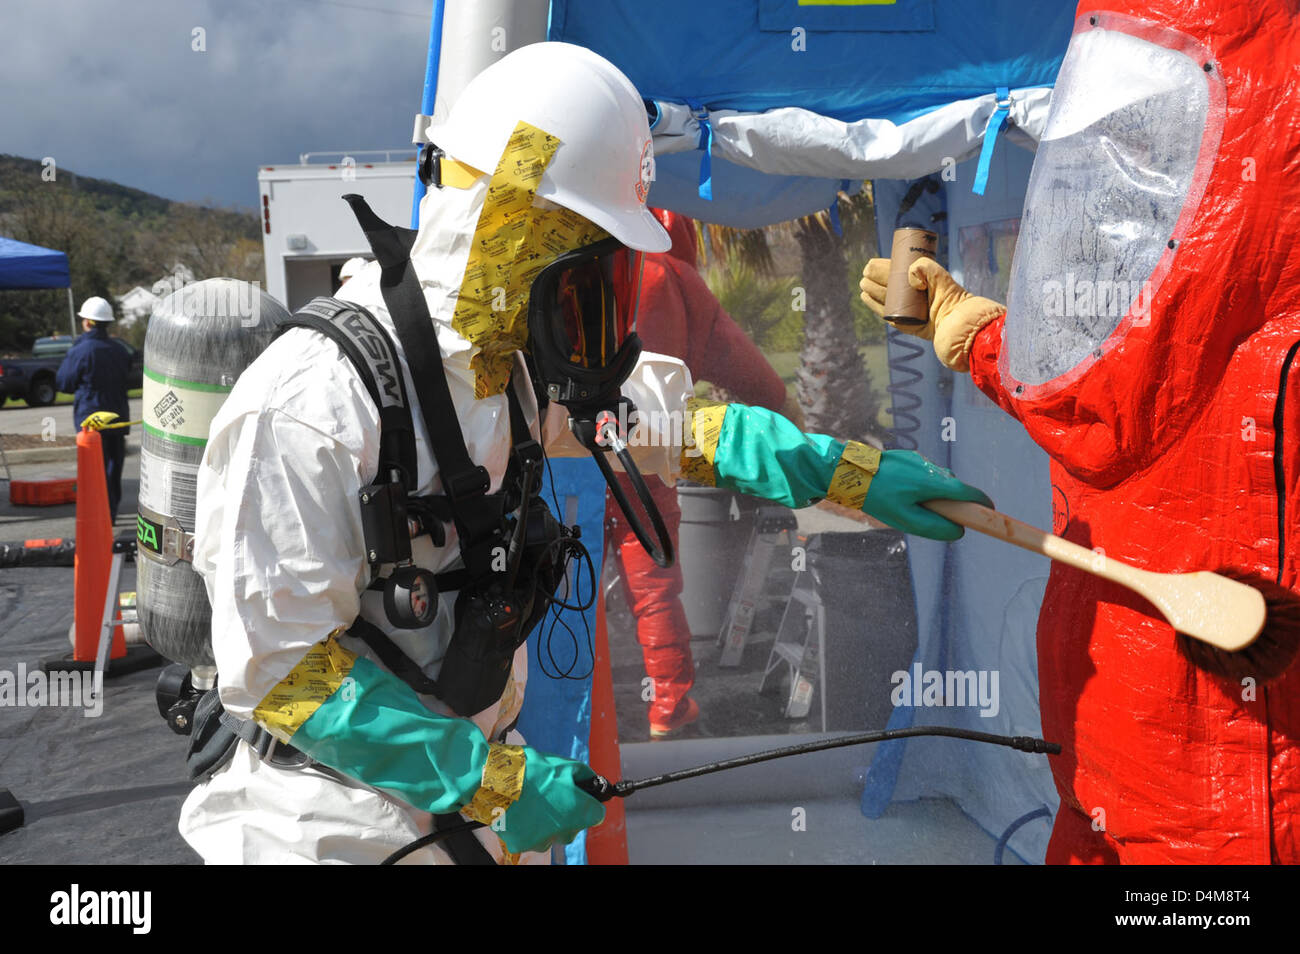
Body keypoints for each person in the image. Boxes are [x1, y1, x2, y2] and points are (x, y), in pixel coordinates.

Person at [179, 41, 991, 865]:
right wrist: (484, 781)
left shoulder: (506, 375)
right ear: (509, 223)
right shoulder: (309, 406)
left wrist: (836, 471)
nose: (596, 303)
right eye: (584, 260)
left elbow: (659, 427)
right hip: (325, 829)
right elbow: (283, 674)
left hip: (463, 812)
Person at [860, 0, 1300, 863]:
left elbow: (1101, 388)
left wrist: (975, 335)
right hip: (1112, 765)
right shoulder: (1188, 291)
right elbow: (1093, 383)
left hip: (1233, 803)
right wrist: (977, 332)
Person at [606, 208, 795, 738]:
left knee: (565, 587)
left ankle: (578, 718)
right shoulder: (678, 280)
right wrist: (783, 411)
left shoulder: (577, 260)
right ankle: (669, 706)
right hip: (650, 456)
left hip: (572, 452)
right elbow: (747, 368)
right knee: (655, 589)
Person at [55, 296, 130, 522]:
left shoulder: (81, 350)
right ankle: (110, 513)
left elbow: (64, 382)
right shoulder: (120, 350)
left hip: (91, 420)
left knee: (94, 470)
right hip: (117, 417)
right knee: (113, 468)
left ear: (87, 322)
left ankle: (98, 516)